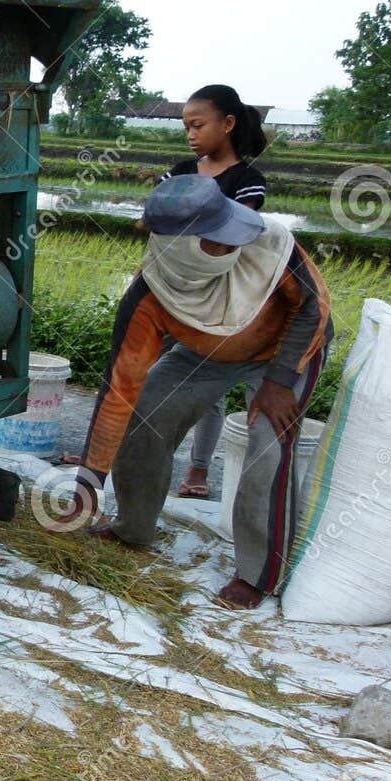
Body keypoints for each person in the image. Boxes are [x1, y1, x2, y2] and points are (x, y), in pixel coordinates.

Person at [67, 175, 331, 610]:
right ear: (179, 248)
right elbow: (120, 390)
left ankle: (259, 573)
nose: (233, 245)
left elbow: (314, 306)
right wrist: (88, 484)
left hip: (286, 350)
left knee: (268, 445)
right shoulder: (150, 295)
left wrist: (281, 378)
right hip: (206, 351)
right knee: (146, 414)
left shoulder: (269, 244)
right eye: (218, 241)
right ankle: (132, 528)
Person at [162, 84, 270, 499]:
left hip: (216, 296)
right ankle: (109, 453)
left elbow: (236, 230)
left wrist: (187, 220)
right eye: (186, 126)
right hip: (168, 284)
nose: (190, 133)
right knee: (132, 370)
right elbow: (158, 217)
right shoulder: (181, 170)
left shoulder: (248, 179)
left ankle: (198, 471)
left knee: (206, 386)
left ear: (227, 124)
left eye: (198, 124)